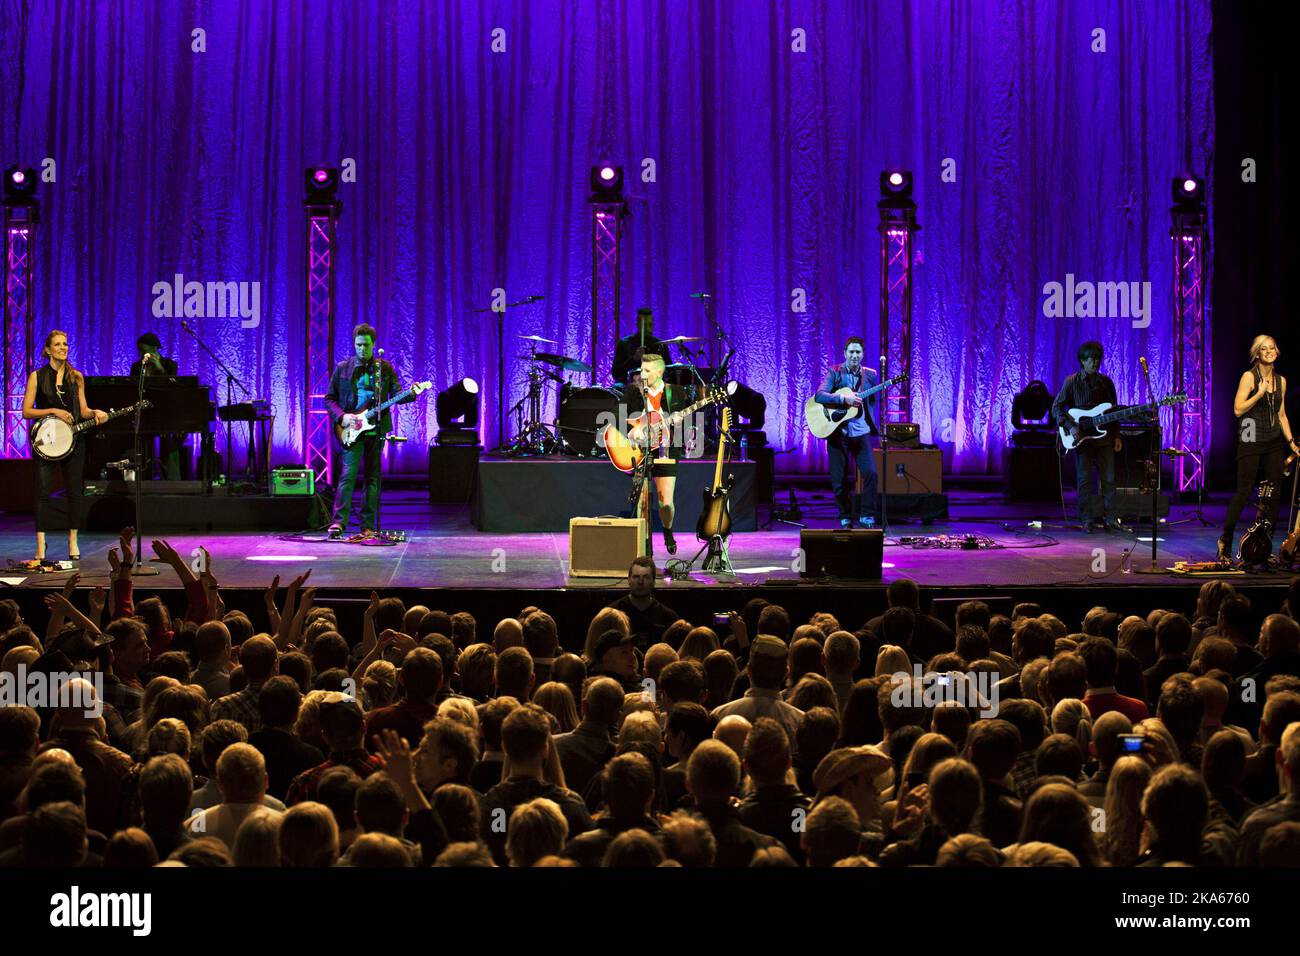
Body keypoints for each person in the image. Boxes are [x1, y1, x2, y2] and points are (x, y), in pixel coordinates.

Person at [21, 330, 109, 562]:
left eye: (66, 344)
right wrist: (52, 410)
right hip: (46, 441)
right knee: (42, 492)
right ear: (48, 350)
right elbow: (26, 411)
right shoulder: (37, 376)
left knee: (74, 492)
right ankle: (41, 544)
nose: (63, 348)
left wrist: (96, 413)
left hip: (73, 441)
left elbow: (83, 411)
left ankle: (73, 539)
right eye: (58, 344)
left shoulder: (76, 377)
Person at [325, 323, 416, 537]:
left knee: (372, 478)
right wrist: (343, 416)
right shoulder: (343, 368)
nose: (362, 349)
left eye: (366, 345)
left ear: (373, 345)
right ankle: (338, 523)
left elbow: (398, 394)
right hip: (352, 429)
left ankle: (367, 525)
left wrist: (412, 394)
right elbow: (330, 398)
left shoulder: (384, 368)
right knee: (347, 475)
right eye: (358, 345)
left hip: (376, 429)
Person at [1219, 335, 1298, 561]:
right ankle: (1225, 543)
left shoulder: (1281, 381)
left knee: (1273, 494)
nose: (1269, 352)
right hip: (1250, 434)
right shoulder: (1249, 377)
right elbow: (1237, 409)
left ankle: (1264, 546)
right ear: (1257, 354)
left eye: (1272, 348)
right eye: (1264, 349)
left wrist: (1291, 442)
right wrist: (1260, 393)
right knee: (1243, 492)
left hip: (1273, 439)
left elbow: (1281, 414)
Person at [1052, 340, 1128, 533]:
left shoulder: (1107, 383)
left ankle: (1111, 519)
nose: (1095, 362)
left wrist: (1117, 435)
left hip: (1105, 437)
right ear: (1082, 361)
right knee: (1084, 479)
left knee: (1109, 479)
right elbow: (1057, 408)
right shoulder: (1071, 382)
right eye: (1091, 359)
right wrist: (1070, 426)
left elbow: (1114, 411)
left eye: (1097, 359)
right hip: (1082, 439)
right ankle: (1087, 519)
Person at [813, 336, 880, 529]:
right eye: (851, 352)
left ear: (863, 354)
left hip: (861, 432)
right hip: (838, 433)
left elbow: (871, 403)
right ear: (845, 353)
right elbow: (820, 395)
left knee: (871, 474)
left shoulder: (870, 375)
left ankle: (867, 515)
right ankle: (845, 515)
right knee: (839, 479)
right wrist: (844, 400)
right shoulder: (835, 372)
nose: (854, 355)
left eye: (858, 352)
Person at [625, 353, 685, 555]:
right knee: (642, 503)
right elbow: (616, 415)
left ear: (660, 372)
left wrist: (680, 424)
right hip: (640, 453)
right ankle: (644, 548)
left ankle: (668, 531)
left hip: (666, 451)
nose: (642, 374)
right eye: (641, 369)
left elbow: (688, 424)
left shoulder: (675, 392)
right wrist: (633, 431)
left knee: (665, 503)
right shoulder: (634, 392)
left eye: (647, 370)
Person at [128, 332, 182, 479]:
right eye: (139, 350)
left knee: (169, 449)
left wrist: (159, 368)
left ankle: (173, 484)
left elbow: (173, 387)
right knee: (143, 449)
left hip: (166, 413)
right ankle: (144, 479)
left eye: (144, 350)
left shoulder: (170, 365)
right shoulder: (137, 366)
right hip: (144, 413)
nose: (141, 353)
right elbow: (132, 389)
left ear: (155, 349)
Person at [606, 557, 679, 649]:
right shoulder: (612, 614)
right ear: (628, 580)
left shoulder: (669, 618)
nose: (640, 582)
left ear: (653, 581)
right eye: (636, 577)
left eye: (646, 577)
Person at [610, 307, 674, 386]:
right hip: (630, 389)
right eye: (645, 325)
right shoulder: (624, 343)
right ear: (637, 325)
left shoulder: (660, 344)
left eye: (650, 325)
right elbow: (616, 374)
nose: (648, 329)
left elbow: (670, 372)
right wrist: (634, 359)